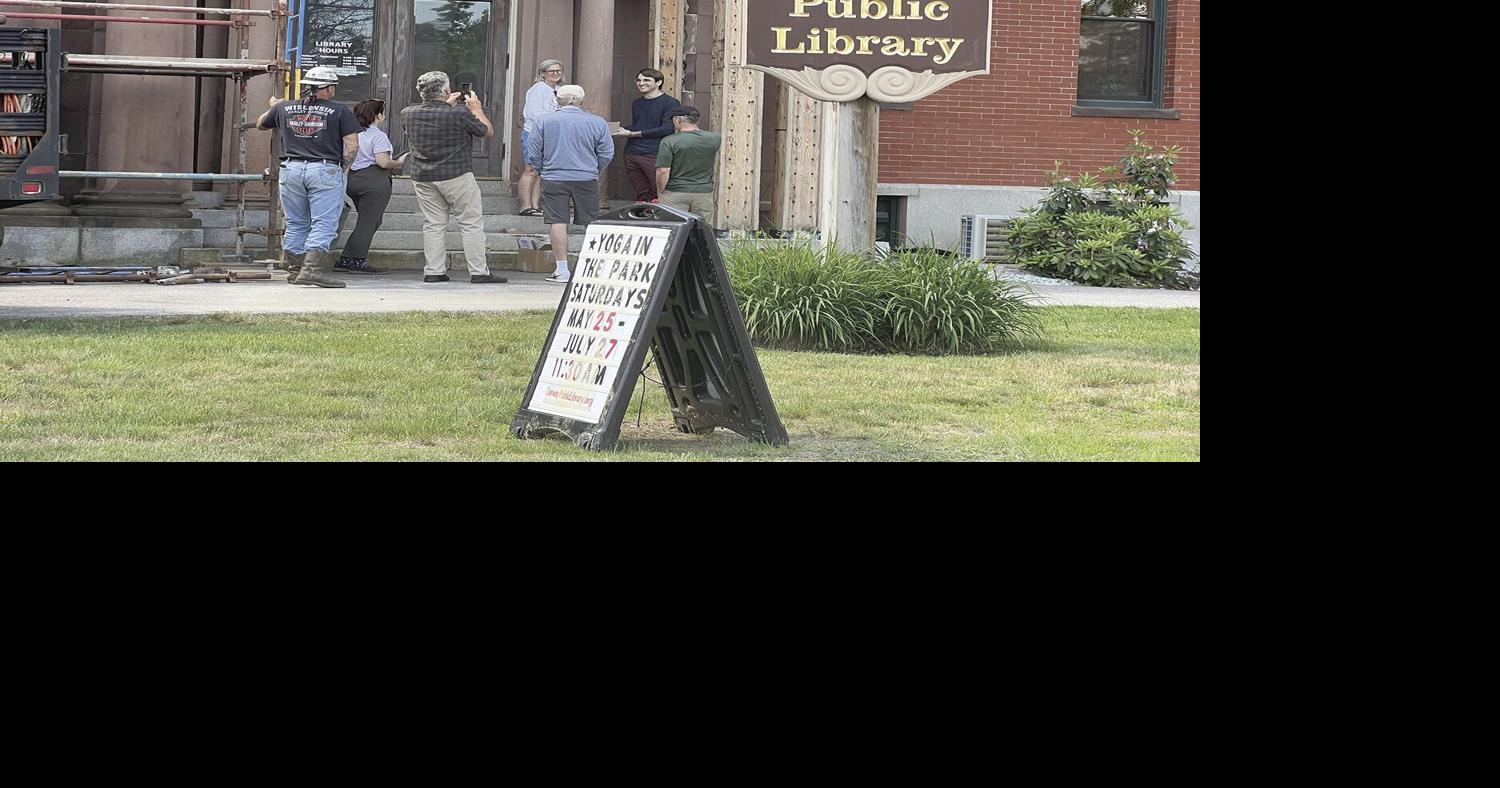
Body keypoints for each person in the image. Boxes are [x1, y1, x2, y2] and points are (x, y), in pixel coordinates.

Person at [256, 65, 361, 288]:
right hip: (324, 169)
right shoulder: (340, 110)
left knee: (295, 222)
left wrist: (275, 107)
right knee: (324, 222)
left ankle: (295, 270)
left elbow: (260, 124)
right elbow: (351, 146)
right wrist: (343, 170)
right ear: (329, 89)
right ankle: (311, 270)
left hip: (290, 169)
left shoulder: (284, 107)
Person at [400, 70, 507, 284]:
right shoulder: (459, 113)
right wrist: (476, 109)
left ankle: (434, 270)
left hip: (423, 174)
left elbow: (435, 117)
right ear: (447, 90)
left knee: (433, 224)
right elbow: (487, 131)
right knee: (470, 223)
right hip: (456, 173)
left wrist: (447, 104)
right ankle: (478, 272)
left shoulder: (407, 113)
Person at [525, 84, 613, 284]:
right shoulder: (597, 122)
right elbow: (607, 152)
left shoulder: (543, 121)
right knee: (590, 222)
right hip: (586, 176)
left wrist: (543, 169)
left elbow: (534, 152)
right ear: (582, 101)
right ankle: (592, 268)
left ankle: (562, 269)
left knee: (557, 221)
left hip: (553, 177)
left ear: (557, 99)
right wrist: (594, 169)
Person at [336, 99, 407, 275]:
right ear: (378, 115)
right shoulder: (378, 135)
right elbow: (383, 162)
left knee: (368, 220)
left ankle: (347, 258)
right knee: (368, 222)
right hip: (373, 181)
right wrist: (398, 162)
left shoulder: (351, 134)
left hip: (351, 179)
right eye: (382, 112)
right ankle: (357, 260)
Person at [612, 68, 680, 204]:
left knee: (658, 192)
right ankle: (643, 219)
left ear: (659, 82)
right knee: (641, 193)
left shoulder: (670, 102)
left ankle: (658, 222)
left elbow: (667, 129)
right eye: (638, 80)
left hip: (653, 152)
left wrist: (631, 133)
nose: (641, 83)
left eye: (646, 80)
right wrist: (621, 129)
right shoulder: (637, 102)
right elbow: (641, 125)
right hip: (631, 152)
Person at [656, 106, 721, 227]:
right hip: (703, 193)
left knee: (673, 231)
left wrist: (660, 193)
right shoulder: (714, 139)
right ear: (697, 120)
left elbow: (663, 170)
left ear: (677, 120)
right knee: (703, 232)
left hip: (675, 193)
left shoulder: (669, 141)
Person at [518, 59, 564, 217]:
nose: (555, 74)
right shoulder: (539, 88)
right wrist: (556, 116)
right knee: (530, 170)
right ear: (542, 73)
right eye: (551, 71)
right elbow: (533, 113)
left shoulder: (559, 90)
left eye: (558, 71)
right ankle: (525, 206)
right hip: (534, 133)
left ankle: (535, 206)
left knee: (540, 172)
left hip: (550, 136)